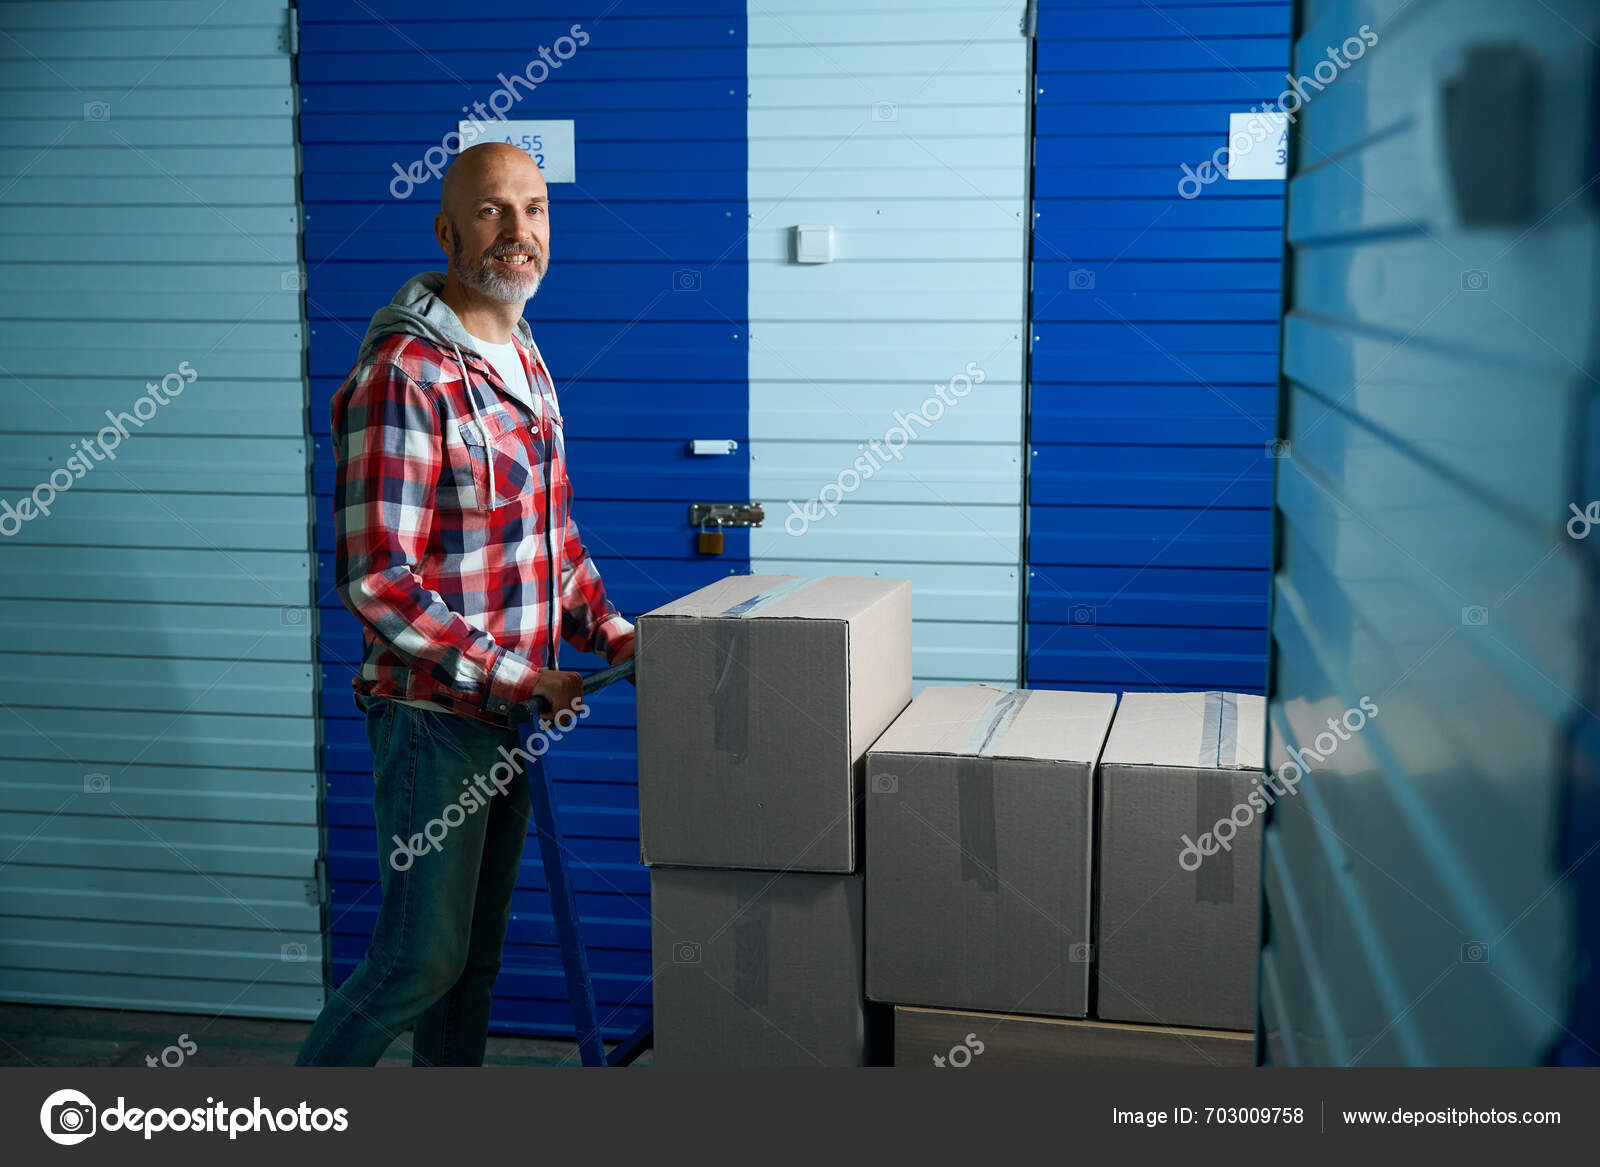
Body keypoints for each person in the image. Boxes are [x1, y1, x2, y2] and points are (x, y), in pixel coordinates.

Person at [296, 143, 634, 1066]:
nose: (518, 232)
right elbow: (377, 578)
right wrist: (521, 676)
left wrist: (616, 633)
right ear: (447, 231)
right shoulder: (405, 373)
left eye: (535, 209)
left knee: (472, 966)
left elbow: (549, 538)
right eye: (492, 211)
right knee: (415, 964)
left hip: (506, 714)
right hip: (435, 721)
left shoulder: (521, 354)